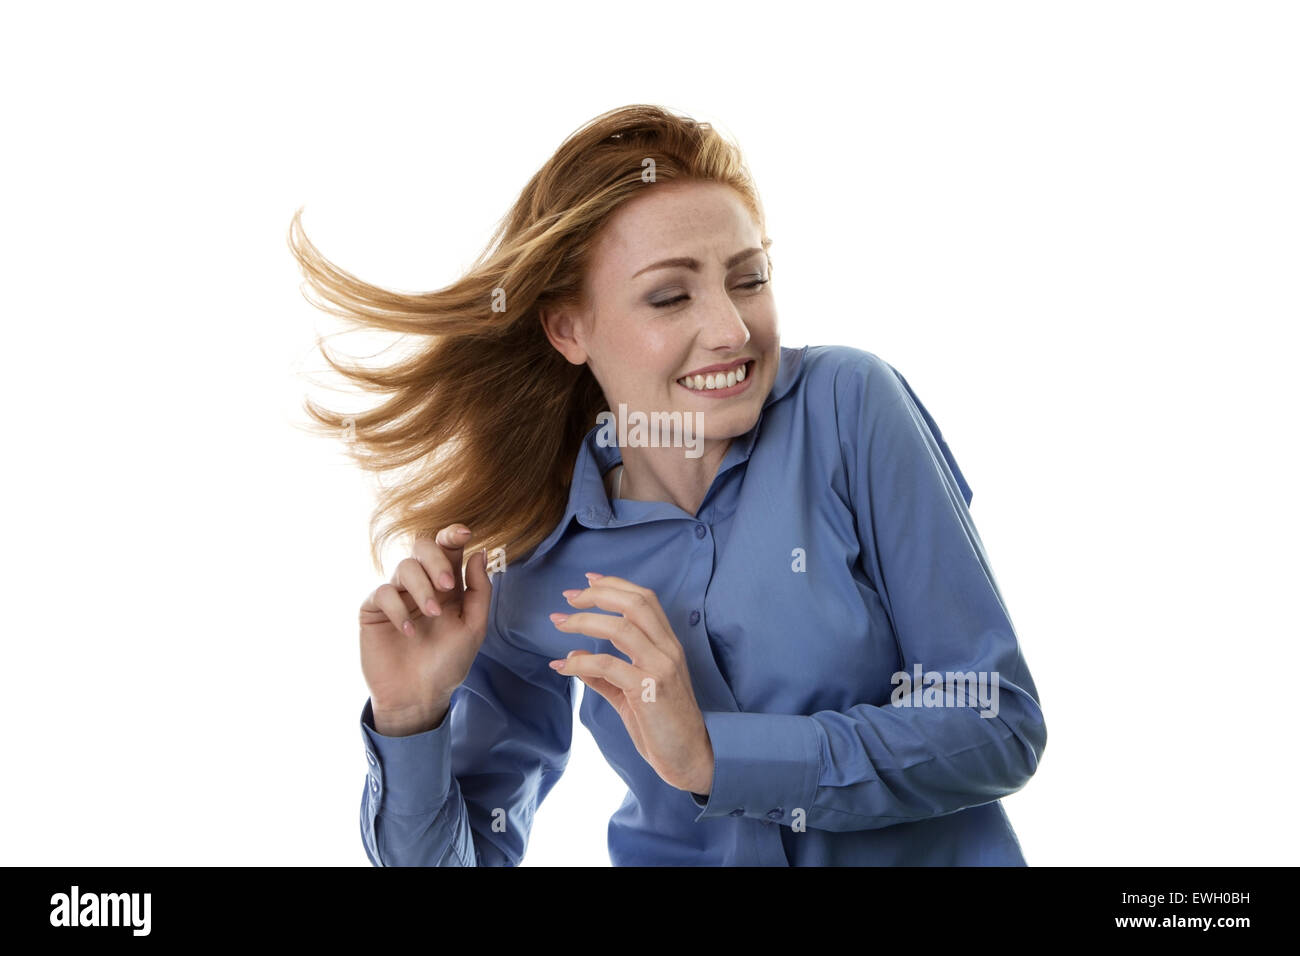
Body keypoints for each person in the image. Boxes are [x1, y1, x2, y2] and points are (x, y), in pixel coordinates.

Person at [289, 103, 1047, 866]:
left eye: (748, 280)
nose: (730, 329)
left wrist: (716, 757)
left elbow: (997, 723)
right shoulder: (525, 558)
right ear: (568, 330)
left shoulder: (849, 408)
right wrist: (410, 716)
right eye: (670, 296)